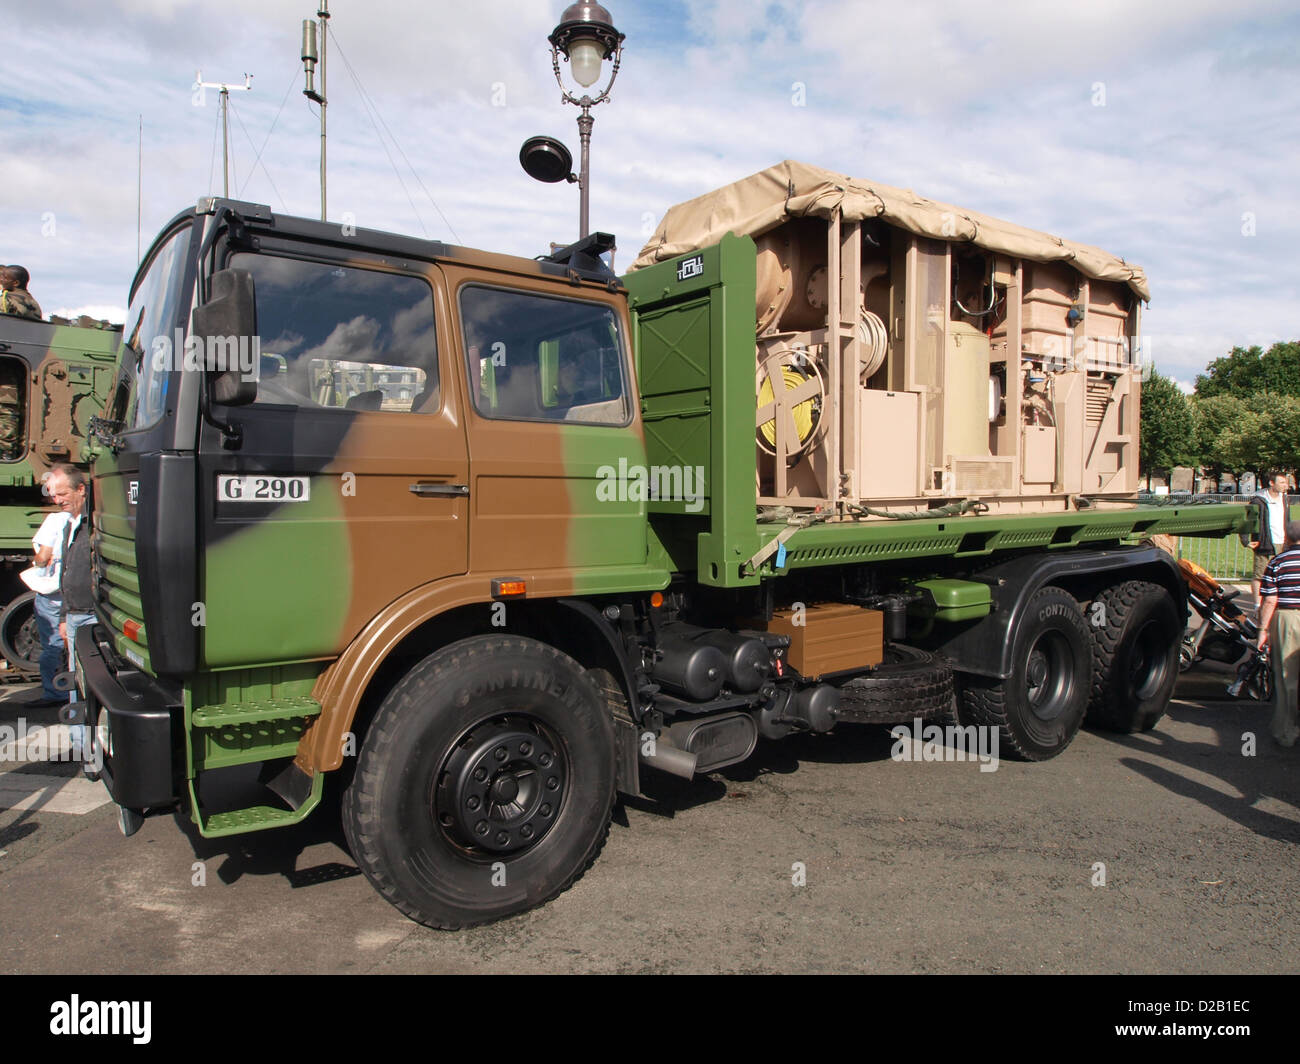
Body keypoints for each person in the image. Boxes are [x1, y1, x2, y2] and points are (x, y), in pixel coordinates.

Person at [48, 465, 95, 758]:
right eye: (54, 495)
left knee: (93, 686)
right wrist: (65, 614)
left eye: (62, 493)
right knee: (75, 684)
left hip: (93, 614)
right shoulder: (69, 524)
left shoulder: (96, 523)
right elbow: (65, 570)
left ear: (81, 489)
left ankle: (96, 746)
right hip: (76, 614)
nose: (57, 499)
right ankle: (81, 747)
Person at [28, 473, 73, 707]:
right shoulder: (80, 518)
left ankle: (54, 693)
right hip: (72, 592)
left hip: (51, 593)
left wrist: (36, 563)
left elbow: (44, 557)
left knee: (51, 644)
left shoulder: (54, 521)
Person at [1256, 519, 1300, 748]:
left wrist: (1262, 630)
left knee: (1287, 678)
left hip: (1288, 618)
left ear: (1288, 538)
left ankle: (1286, 731)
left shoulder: (1278, 562)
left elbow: (1270, 599)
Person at [1246, 471, 1291, 605]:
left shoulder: (1284, 498)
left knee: (1281, 575)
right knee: (1260, 574)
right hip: (1264, 542)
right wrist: (1245, 541)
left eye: (1286, 482)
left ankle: (1276, 603)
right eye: (1282, 482)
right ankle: (1257, 605)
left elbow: (1287, 519)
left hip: (1283, 542)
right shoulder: (1258, 500)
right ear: (1272, 483)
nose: (1286, 485)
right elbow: (1247, 520)